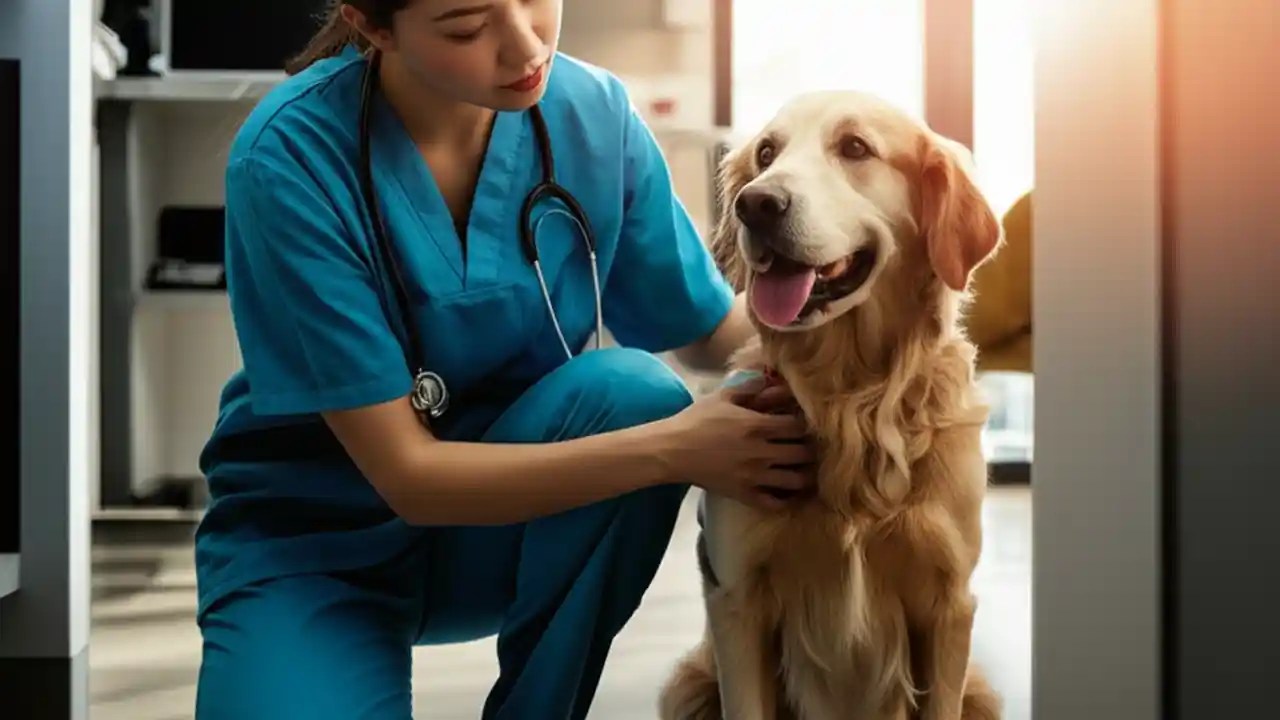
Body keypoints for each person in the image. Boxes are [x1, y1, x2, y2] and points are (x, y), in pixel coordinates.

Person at [192, 1, 814, 718]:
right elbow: (411, 478)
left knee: (632, 394)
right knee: (654, 423)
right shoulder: (288, 157)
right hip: (312, 548)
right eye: (466, 26)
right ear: (373, 24)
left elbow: (711, 331)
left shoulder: (594, 116)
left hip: (505, 530)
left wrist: (857, 306)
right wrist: (677, 451)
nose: (525, 48)